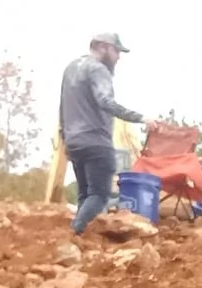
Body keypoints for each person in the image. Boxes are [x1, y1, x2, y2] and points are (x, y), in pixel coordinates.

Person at [58, 32, 147, 234]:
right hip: (96, 142)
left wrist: (66, 139)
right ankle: (73, 233)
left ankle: (78, 240)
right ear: (103, 47)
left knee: (84, 195)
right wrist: (141, 118)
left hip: (74, 142)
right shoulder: (98, 70)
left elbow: (62, 107)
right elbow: (105, 101)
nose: (118, 57)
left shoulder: (71, 68)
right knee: (100, 195)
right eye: (116, 50)